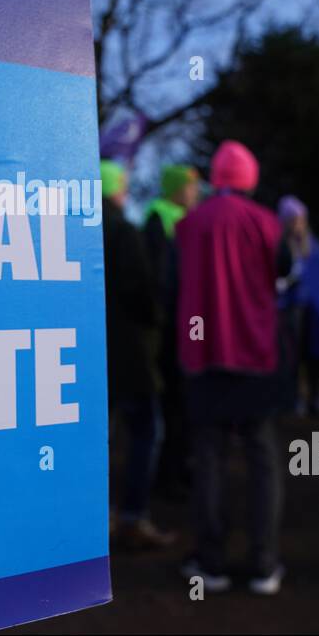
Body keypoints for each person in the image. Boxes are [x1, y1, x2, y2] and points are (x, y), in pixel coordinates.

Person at [176, 140, 287, 594]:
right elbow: (284, 277)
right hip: (257, 354)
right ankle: (264, 565)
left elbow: (172, 287)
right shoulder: (267, 223)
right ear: (250, 179)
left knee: (210, 459)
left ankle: (211, 562)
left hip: (202, 358)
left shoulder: (188, 225)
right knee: (262, 459)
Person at [100, 159, 176, 551]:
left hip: (92, 357)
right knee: (147, 432)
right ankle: (132, 516)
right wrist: (158, 320)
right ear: (116, 188)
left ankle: (100, 515)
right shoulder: (123, 230)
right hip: (130, 356)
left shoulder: (75, 231)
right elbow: (141, 294)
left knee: (101, 438)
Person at [142, 165, 201, 498]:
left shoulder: (186, 217)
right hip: (172, 329)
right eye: (191, 187)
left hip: (187, 325)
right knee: (173, 403)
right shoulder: (160, 216)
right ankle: (167, 474)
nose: (195, 193)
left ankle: (179, 467)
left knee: (185, 402)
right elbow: (161, 279)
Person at [277, 195, 319, 418]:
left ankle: (316, 399)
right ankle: (292, 399)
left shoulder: (314, 243)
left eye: (301, 218)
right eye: (293, 219)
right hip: (291, 308)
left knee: (317, 356)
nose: (298, 223)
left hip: (314, 308)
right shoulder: (279, 245)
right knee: (292, 356)